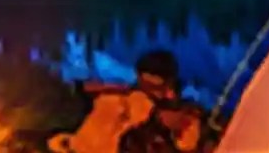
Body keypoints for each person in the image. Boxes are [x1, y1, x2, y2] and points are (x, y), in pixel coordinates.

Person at [46, 50, 206, 153]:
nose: (148, 91)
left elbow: (187, 143)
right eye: (144, 84)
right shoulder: (120, 99)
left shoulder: (183, 114)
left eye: (155, 87)